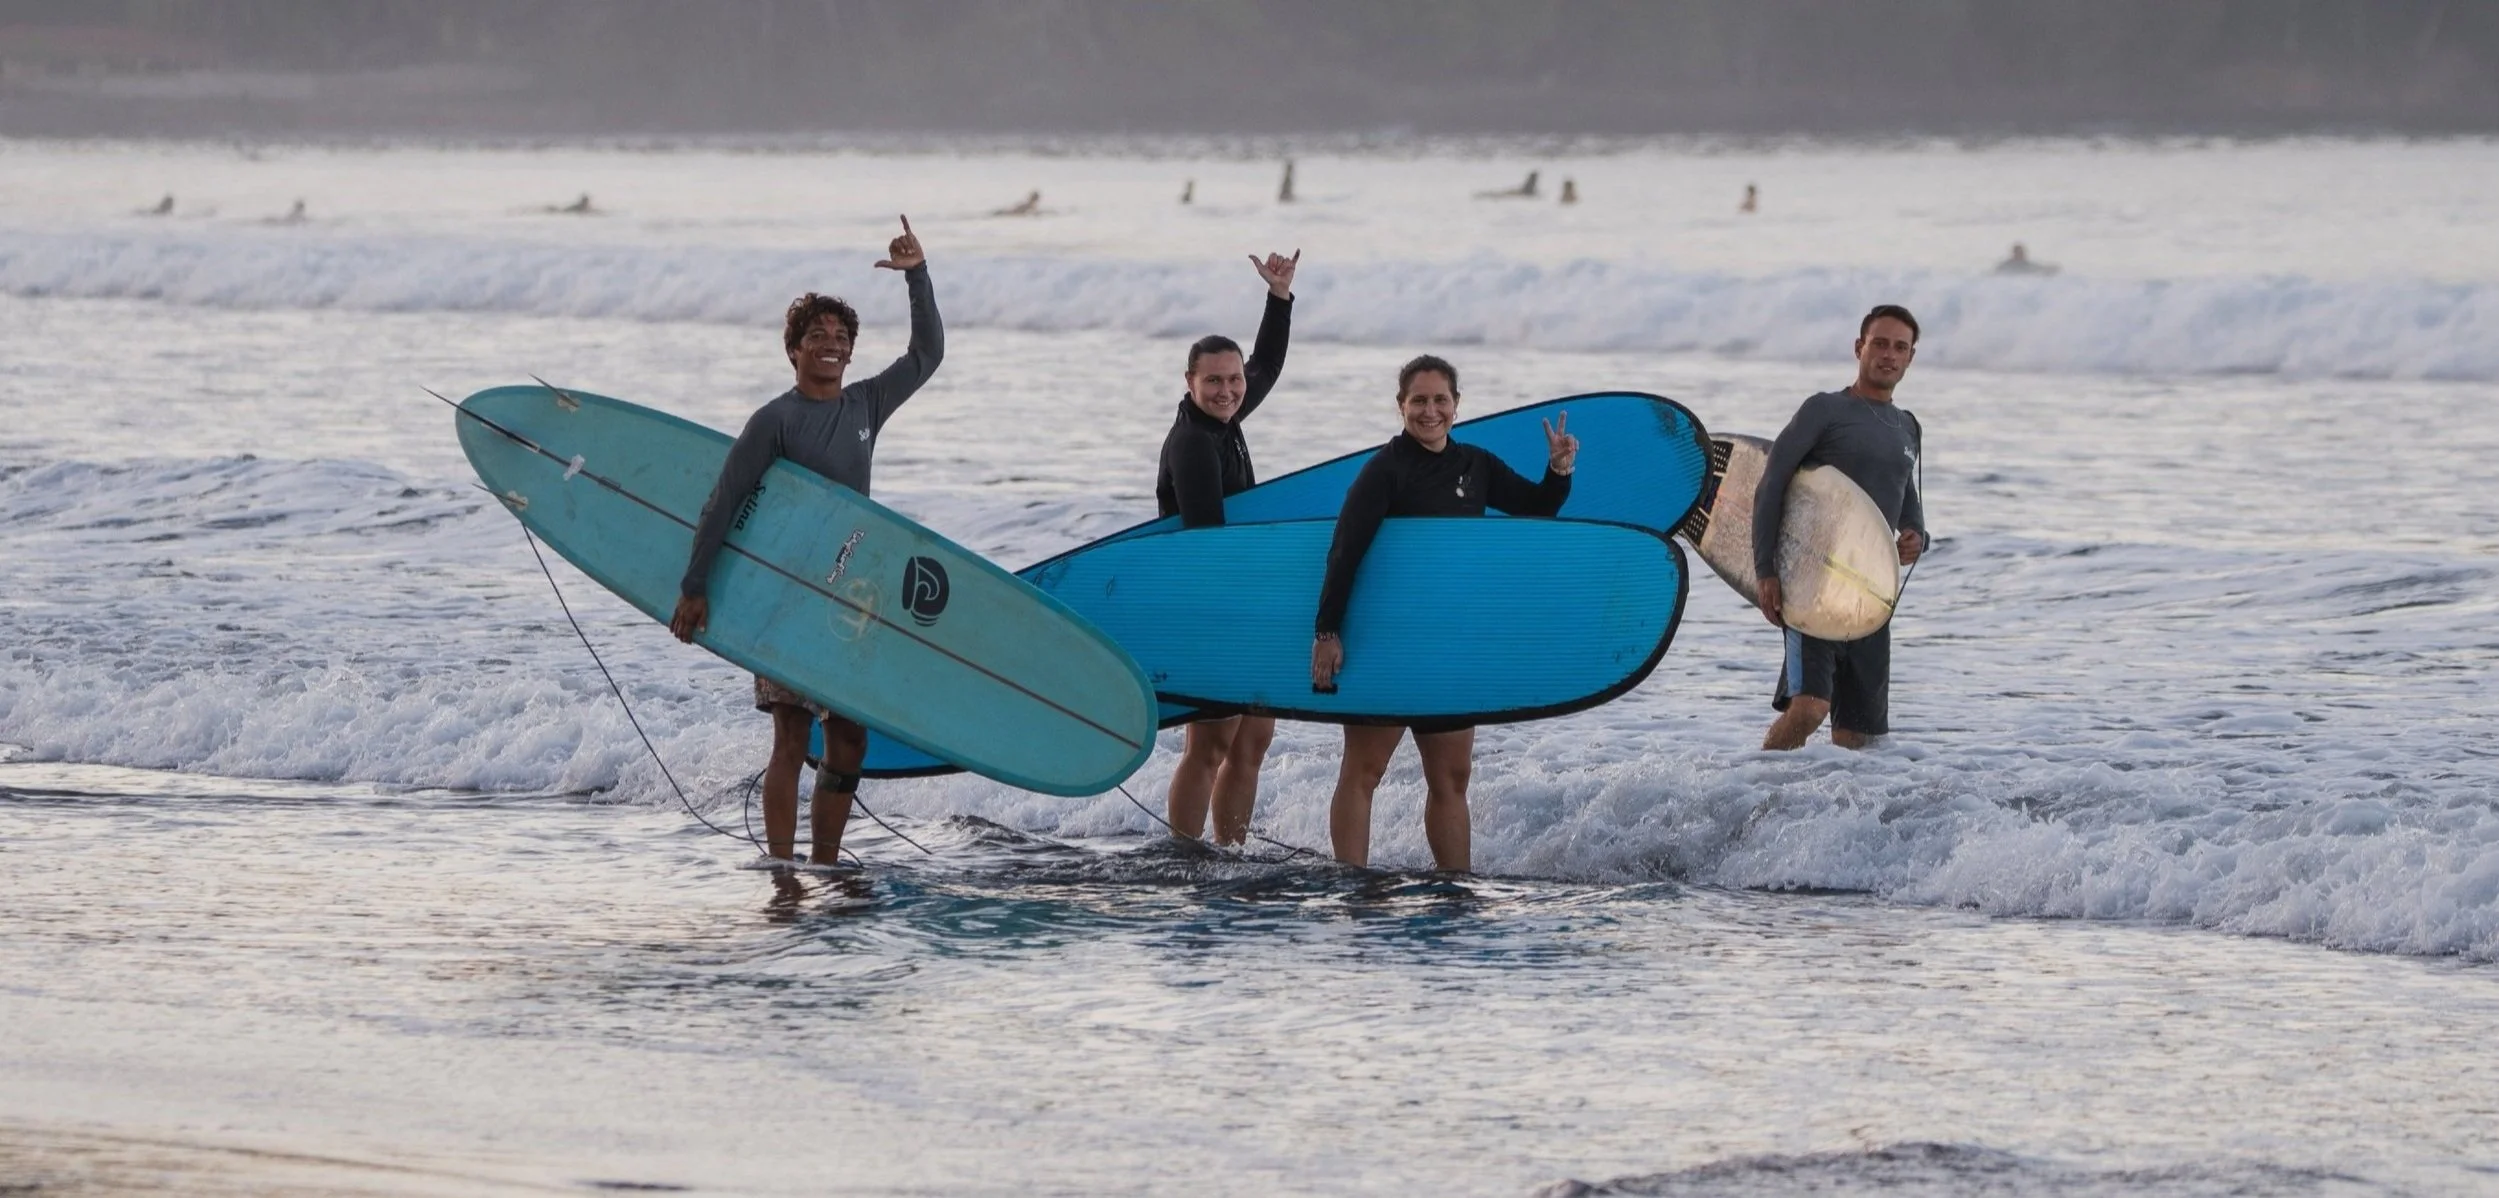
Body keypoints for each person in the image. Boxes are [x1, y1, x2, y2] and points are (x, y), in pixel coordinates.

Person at [670, 216, 941, 867]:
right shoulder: (774, 420)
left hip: (850, 596)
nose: (830, 344)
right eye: (816, 336)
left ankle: (823, 861)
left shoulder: (866, 406)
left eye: (840, 337)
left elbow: (926, 354)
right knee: (791, 739)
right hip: (785, 596)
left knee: (847, 740)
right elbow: (725, 501)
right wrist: (694, 586)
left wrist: (918, 276)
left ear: (850, 353)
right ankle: (782, 868)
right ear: (792, 350)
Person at [1309, 356, 1578, 872]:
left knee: (1451, 779)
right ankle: (1351, 881)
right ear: (1401, 406)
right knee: (1363, 772)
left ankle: (1455, 886)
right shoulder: (1383, 471)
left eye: (1440, 400)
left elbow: (1537, 508)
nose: (1430, 411)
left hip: (1447, 649)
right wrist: (1327, 631)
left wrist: (1559, 470)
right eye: (1419, 401)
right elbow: (1344, 552)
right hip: (1386, 644)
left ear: (1457, 405)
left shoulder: (1476, 465)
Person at [1155, 249, 1300, 845]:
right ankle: (1186, 853)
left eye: (1233, 379)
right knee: (1211, 741)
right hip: (1211, 606)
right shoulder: (1193, 443)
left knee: (1253, 742)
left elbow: (1267, 362)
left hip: (1246, 602)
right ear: (1189, 383)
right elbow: (1207, 545)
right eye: (1213, 380)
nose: (1228, 389)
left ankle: (1230, 851)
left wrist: (1279, 297)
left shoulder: (1226, 418)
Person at [1755, 304, 1929, 752]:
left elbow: (1906, 498)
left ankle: (1830, 820)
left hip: (1870, 596)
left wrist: (1916, 535)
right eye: (1880, 343)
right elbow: (1771, 483)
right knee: (1809, 708)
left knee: (1858, 739)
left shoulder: (1908, 427)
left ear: (1910, 358)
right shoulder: (1825, 410)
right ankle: (1751, 793)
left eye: (1900, 347)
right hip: (1812, 584)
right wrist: (1765, 570)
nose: (1889, 354)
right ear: (1859, 348)